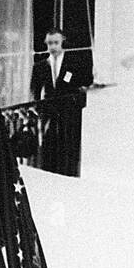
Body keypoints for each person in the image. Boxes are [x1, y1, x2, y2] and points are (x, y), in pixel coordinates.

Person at [29, 28, 89, 176]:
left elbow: (83, 84)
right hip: (50, 114)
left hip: (70, 114)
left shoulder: (74, 62)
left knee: (69, 147)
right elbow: (35, 91)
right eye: (49, 43)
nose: (53, 47)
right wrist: (39, 110)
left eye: (56, 43)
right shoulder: (40, 66)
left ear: (62, 42)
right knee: (50, 148)